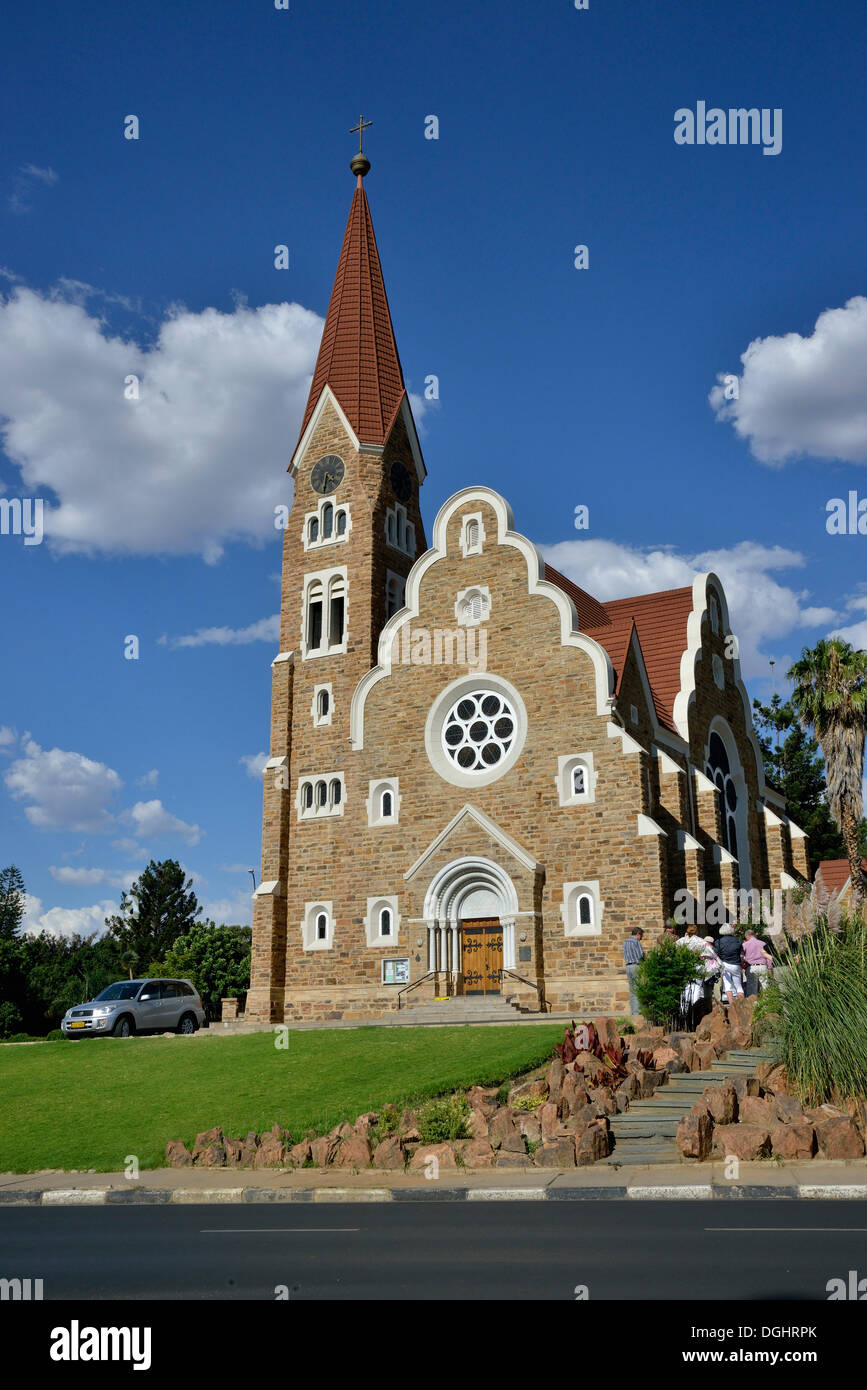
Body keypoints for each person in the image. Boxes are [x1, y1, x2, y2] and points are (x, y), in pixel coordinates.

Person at [714, 924, 745, 1003]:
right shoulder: (737, 940)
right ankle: (742, 1004)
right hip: (736, 965)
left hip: (724, 965)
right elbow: (741, 955)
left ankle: (731, 1005)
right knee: (738, 986)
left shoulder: (719, 942)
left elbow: (715, 955)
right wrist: (741, 965)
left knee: (727, 986)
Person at [742, 927, 774, 992]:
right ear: (754, 935)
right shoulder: (763, 943)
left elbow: (741, 957)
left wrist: (742, 966)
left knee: (752, 991)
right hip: (763, 967)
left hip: (751, 968)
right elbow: (768, 958)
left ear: (747, 936)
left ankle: (754, 1002)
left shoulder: (744, 945)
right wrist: (770, 968)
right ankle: (767, 1002)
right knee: (766, 988)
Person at [623, 928, 645, 1015]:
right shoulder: (636, 942)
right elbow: (640, 955)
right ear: (638, 934)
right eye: (641, 936)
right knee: (637, 989)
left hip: (628, 966)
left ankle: (633, 1011)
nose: (641, 938)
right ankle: (637, 1012)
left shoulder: (625, 942)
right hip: (636, 966)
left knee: (632, 990)